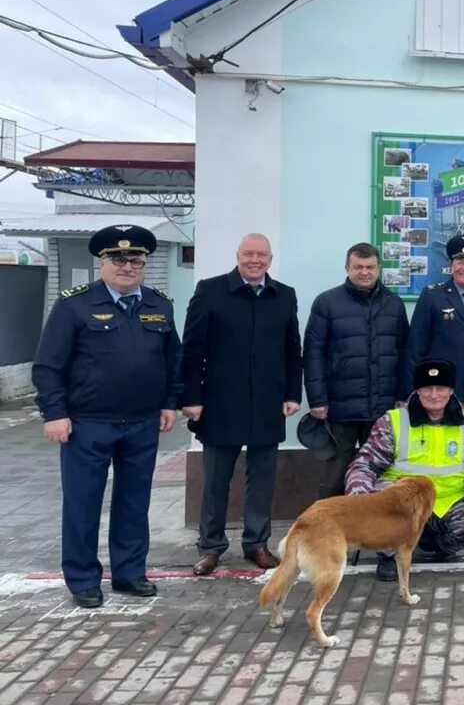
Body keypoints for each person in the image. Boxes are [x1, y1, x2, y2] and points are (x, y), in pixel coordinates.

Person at [32, 225, 181, 608]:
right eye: (118, 259)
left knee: (134, 501)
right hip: (88, 423)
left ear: (144, 264)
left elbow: (172, 361)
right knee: (83, 503)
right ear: (103, 262)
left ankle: (129, 573)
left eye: (136, 260)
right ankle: (83, 579)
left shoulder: (159, 306)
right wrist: (54, 413)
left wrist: (170, 403)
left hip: (142, 422)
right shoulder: (74, 305)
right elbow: (48, 365)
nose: (127, 266)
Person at [181, 233, 302, 576]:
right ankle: (210, 547)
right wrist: (191, 398)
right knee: (216, 481)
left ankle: (257, 544)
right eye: (249, 254)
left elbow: (292, 350)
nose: (254, 260)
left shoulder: (284, 295)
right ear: (238, 256)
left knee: (262, 481)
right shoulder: (210, 290)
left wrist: (293, 393)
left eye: (261, 255)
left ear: (270, 259)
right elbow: (192, 349)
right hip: (220, 401)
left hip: (267, 402)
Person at [345, 358, 464, 581]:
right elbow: (363, 465)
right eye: (427, 388)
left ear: (451, 390)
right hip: (403, 502)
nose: (434, 395)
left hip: (447, 502)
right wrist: (360, 500)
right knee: (381, 508)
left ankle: (438, 545)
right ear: (417, 390)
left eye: (441, 388)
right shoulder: (393, 421)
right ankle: (389, 555)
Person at [304, 243, 409, 499]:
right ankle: (325, 521)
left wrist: (403, 394)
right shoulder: (327, 303)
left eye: (370, 267)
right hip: (340, 406)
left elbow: (404, 352)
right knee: (334, 476)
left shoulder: (394, 304)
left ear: (379, 268)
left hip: (383, 406)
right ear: (347, 268)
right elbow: (313, 353)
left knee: (381, 474)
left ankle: (373, 523)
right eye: (358, 267)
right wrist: (317, 399)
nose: (364, 272)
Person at [405, 235, 464, 418]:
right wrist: (409, 392)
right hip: (438, 393)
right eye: (460, 262)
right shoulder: (432, 296)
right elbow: (415, 348)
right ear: (452, 266)